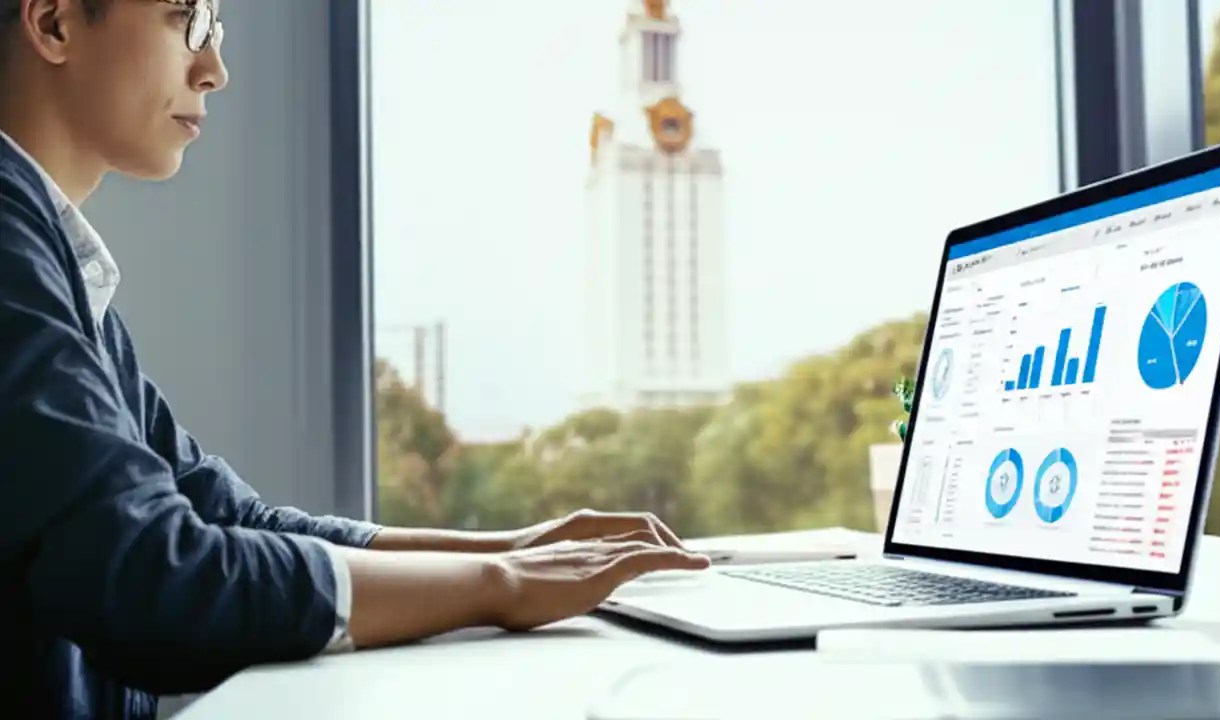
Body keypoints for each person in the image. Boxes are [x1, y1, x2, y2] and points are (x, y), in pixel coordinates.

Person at [0, 1, 711, 717]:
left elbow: (217, 513)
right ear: (55, 22)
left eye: (214, 33)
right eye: (185, 18)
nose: (214, 70)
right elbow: (155, 579)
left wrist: (504, 552)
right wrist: (500, 584)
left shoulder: (53, 264)